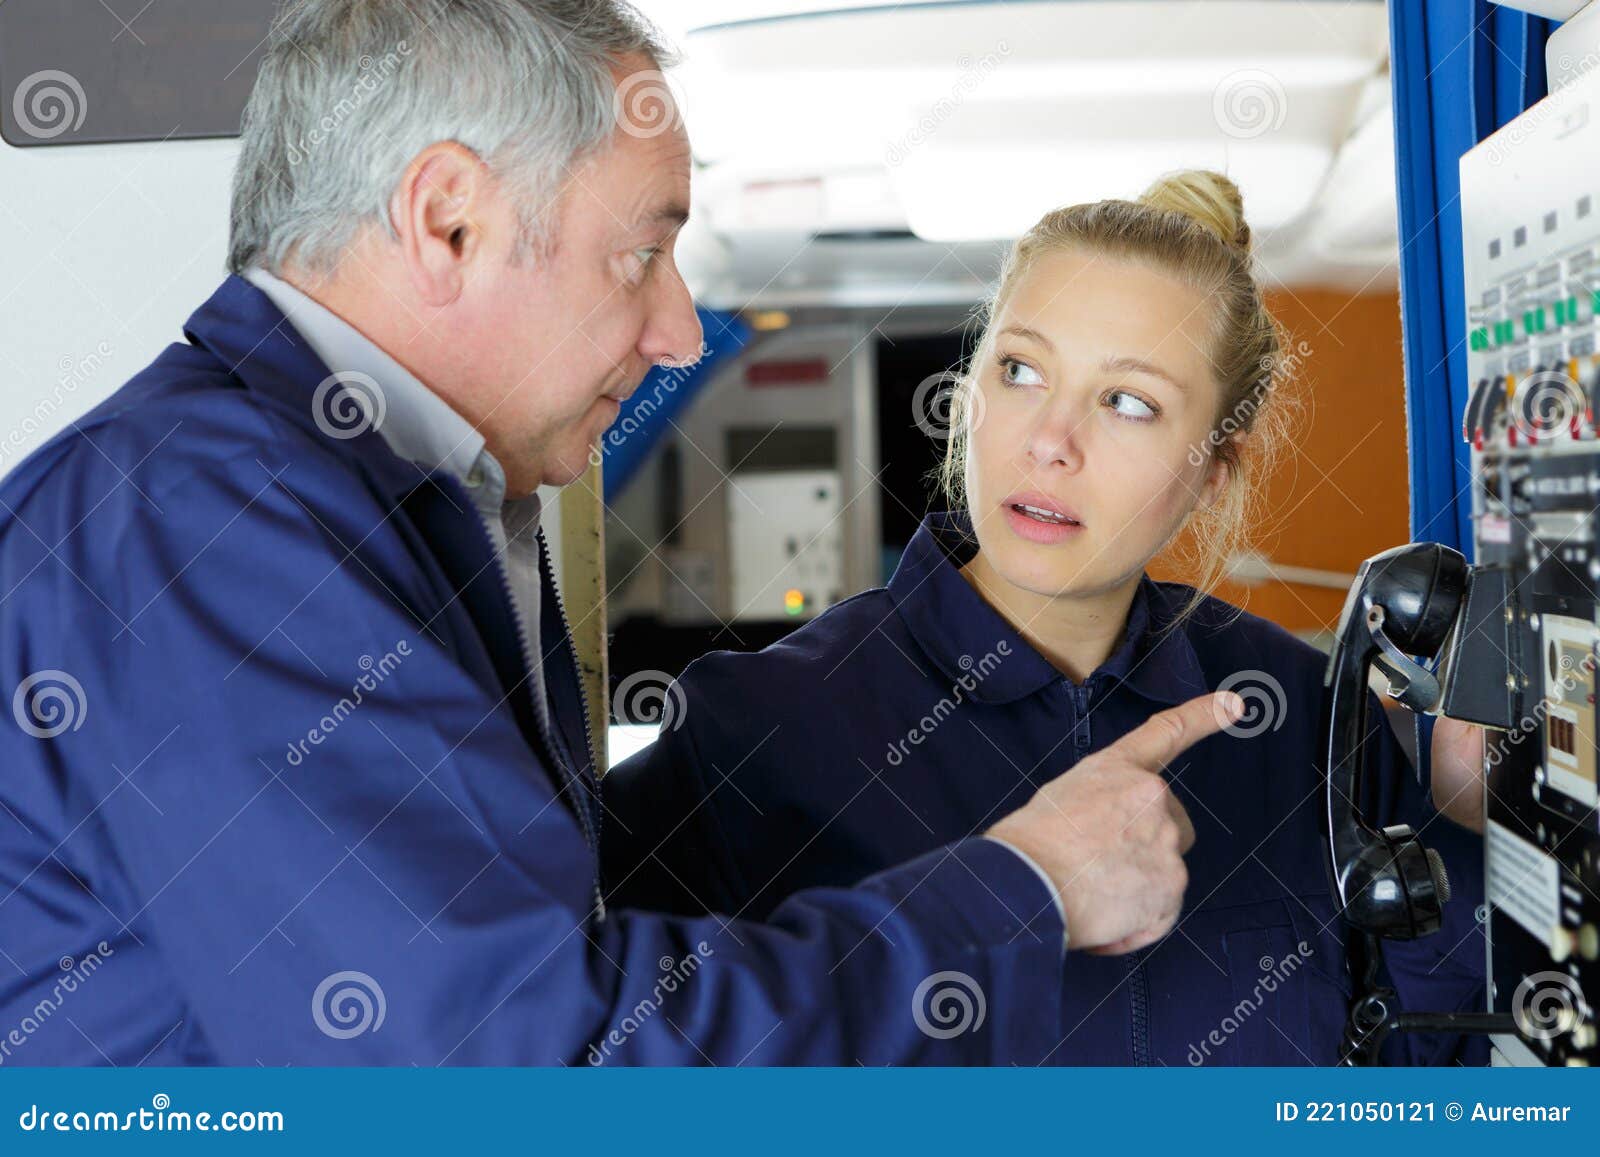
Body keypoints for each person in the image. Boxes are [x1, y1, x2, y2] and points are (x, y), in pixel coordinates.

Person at [0, 0, 1240, 1067]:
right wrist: (1020, 892)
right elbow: (524, 1063)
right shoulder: (206, 524)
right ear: (447, 222)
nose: (679, 331)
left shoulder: (406, 510)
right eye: (642, 253)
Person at [603, 170, 1493, 1065]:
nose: (1049, 441)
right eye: (1021, 370)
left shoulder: (1305, 715)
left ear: (1213, 471)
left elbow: (1430, 1066)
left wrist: (1462, 820)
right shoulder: (748, 730)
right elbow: (591, 1054)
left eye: (1128, 402)